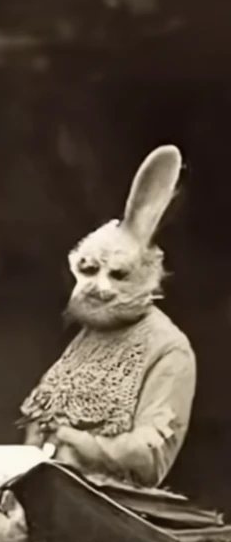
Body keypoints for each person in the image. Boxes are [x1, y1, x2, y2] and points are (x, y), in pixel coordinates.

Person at [18, 145, 196, 489]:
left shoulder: (169, 349)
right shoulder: (88, 337)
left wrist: (82, 443)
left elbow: (151, 458)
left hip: (111, 502)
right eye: (88, 270)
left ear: (144, 275)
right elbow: (39, 422)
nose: (98, 287)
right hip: (44, 488)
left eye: (118, 275)